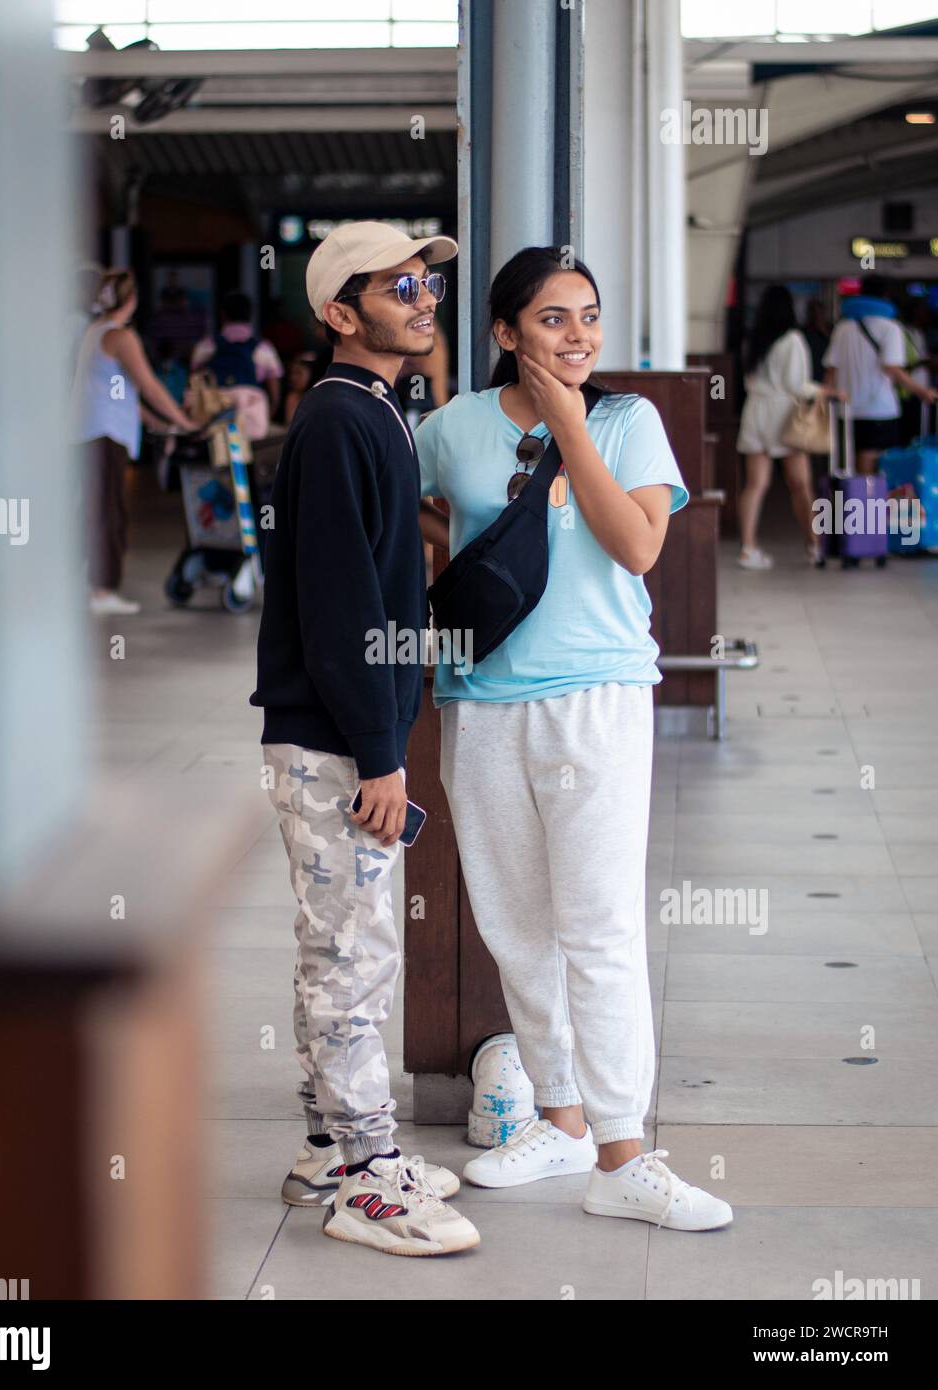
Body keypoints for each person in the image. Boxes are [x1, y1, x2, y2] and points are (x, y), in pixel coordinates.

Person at [414, 245, 732, 1233]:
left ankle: (622, 1149)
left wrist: (567, 428)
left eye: (588, 316)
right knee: (516, 925)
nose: (578, 335)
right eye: (553, 318)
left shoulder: (626, 421)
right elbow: (414, 530)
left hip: (596, 696)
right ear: (505, 333)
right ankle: (554, 1120)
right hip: (480, 697)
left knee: (598, 927)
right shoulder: (449, 429)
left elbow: (636, 544)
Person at [249, 221, 481, 1258]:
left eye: (426, 280)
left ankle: (324, 1149)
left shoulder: (372, 409)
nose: (422, 296)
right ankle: (368, 1177)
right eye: (397, 284)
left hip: (342, 730)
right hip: (337, 739)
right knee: (353, 954)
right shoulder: (342, 421)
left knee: (337, 944)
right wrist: (381, 751)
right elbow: (341, 605)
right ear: (341, 312)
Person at [72, 268, 196, 615]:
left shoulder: (95, 332)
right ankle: (102, 591)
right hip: (105, 435)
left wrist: (154, 420)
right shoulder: (121, 337)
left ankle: (88, 583)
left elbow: (119, 392)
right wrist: (183, 420)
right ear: (131, 299)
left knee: (95, 509)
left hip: (91, 432)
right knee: (110, 511)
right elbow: (150, 385)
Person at [735, 285, 845, 570]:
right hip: (785, 416)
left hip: (755, 411)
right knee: (800, 484)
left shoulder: (754, 339)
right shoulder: (793, 339)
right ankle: (813, 545)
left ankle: (748, 548)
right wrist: (828, 391)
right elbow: (797, 385)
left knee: (755, 485)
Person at [823, 274, 937, 476]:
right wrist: (922, 391)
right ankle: (868, 507)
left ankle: (853, 505)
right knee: (874, 471)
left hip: (845, 411)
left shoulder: (842, 328)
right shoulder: (890, 328)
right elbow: (892, 368)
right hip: (878, 409)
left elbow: (830, 371)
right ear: (885, 296)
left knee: (849, 468)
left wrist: (824, 407)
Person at [190, 291, 284, 441]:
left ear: (223, 314)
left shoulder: (207, 345)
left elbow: (195, 378)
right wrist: (270, 410)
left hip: (215, 410)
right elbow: (274, 383)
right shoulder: (263, 348)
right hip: (250, 412)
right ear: (250, 315)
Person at [897, 298, 934, 445]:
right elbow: (898, 365)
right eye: (922, 311)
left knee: (921, 429)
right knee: (909, 431)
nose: (926, 315)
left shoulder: (919, 332)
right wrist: (923, 362)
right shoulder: (903, 332)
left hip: (923, 390)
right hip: (909, 390)